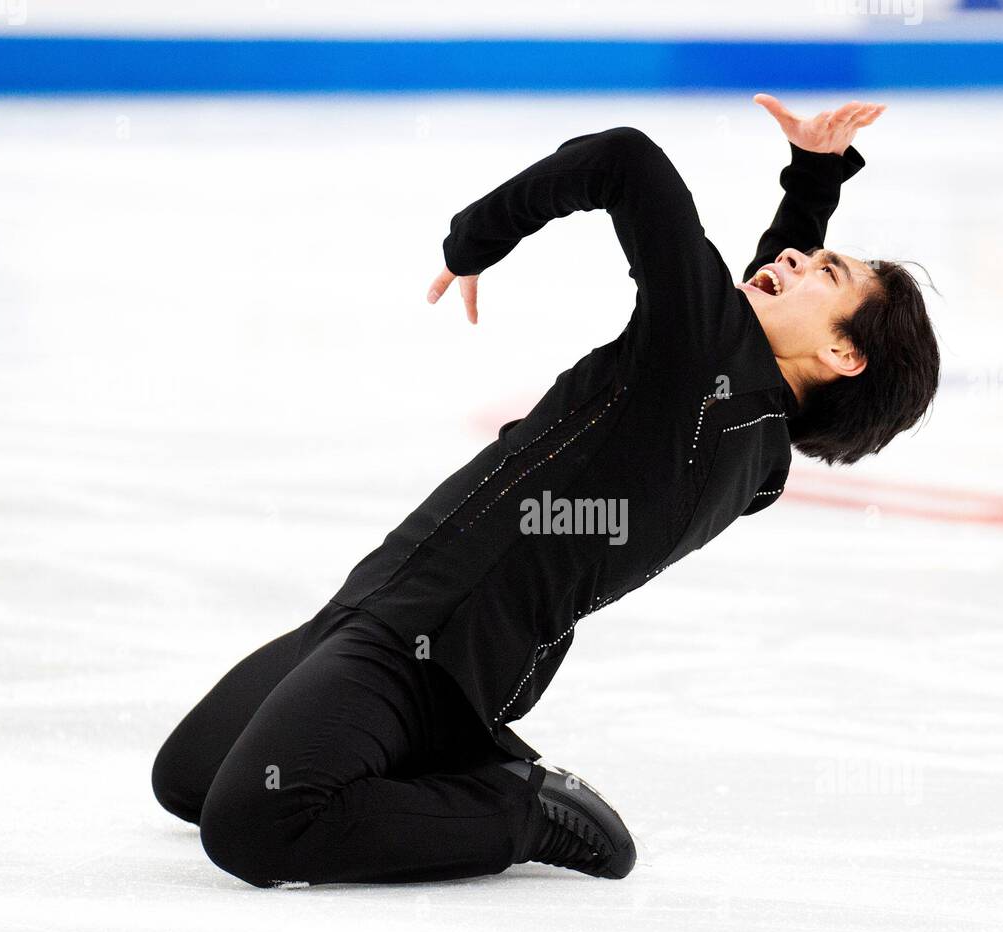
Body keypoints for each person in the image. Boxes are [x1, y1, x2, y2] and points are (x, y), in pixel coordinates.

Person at [151, 95, 939, 888]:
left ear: (843, 353)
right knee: (186, 779)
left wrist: (472, 242)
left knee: (259, 822)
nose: (796, 259)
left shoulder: (704, 367)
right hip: (385, 602)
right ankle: (446, 763)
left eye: (825, 268)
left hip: (433, 653)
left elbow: (625, 158)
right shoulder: (743, 421)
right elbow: (767, 323)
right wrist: (811, 179)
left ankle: (518, 806)